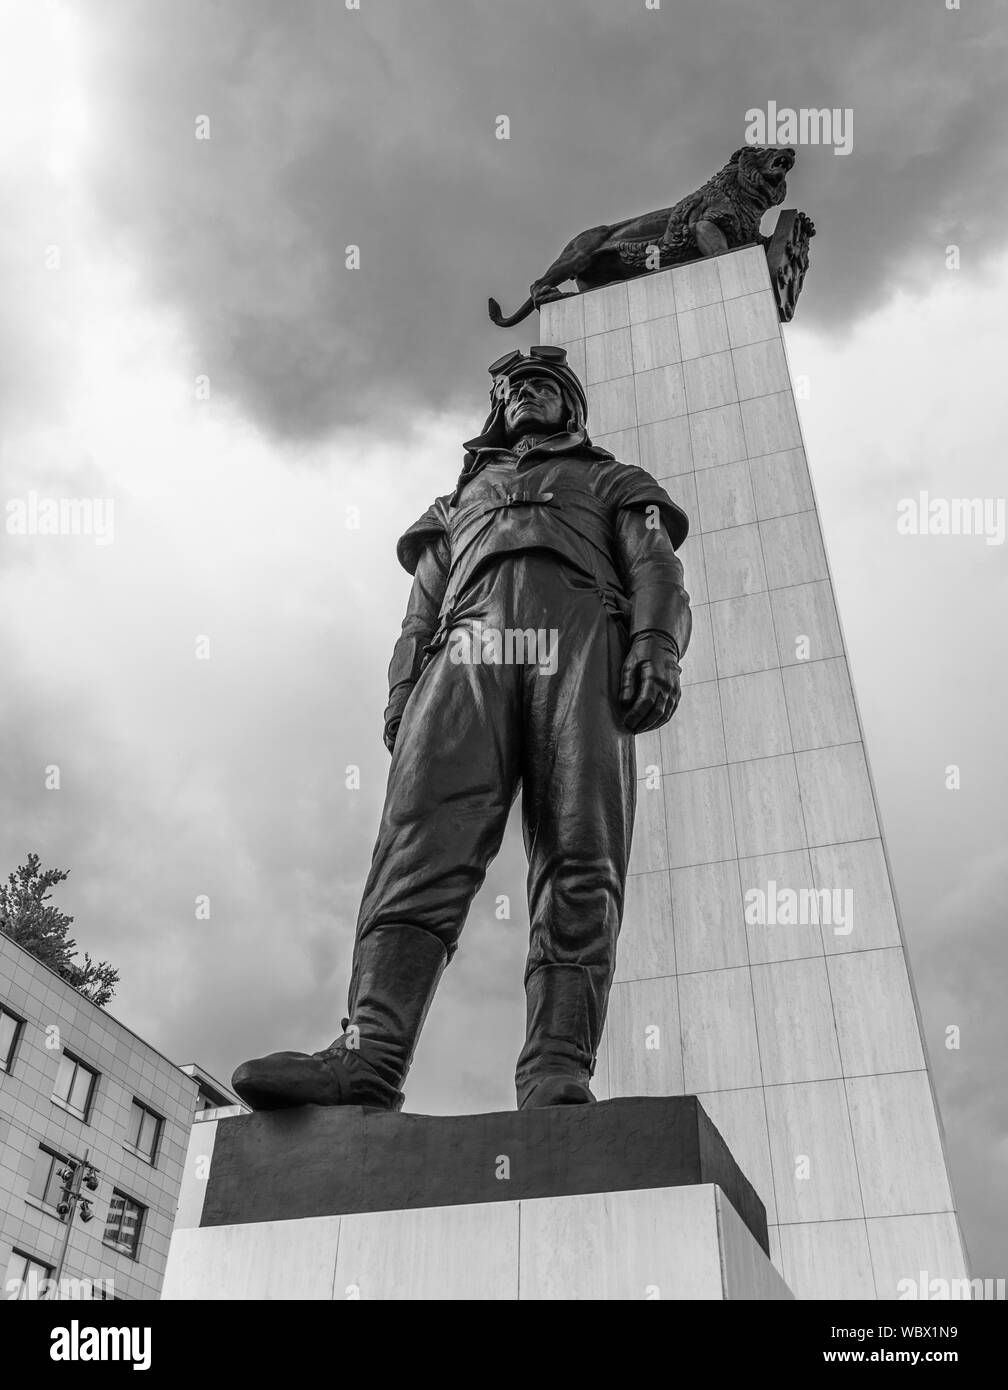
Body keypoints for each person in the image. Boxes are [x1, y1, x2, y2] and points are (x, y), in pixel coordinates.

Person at [233, 345, 692, 1112]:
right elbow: (420, 611)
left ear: (571, 405)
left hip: (579, 638)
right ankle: (369, 1056)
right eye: (511, 388)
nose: (523, 395)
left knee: (582, 851)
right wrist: (403, 691)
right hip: (468, 648)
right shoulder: (456, 502)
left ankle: (555, 1065)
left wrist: (657, 641)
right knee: (418, 843)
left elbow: (657, 566)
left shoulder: (615, 481)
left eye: (542, 385)